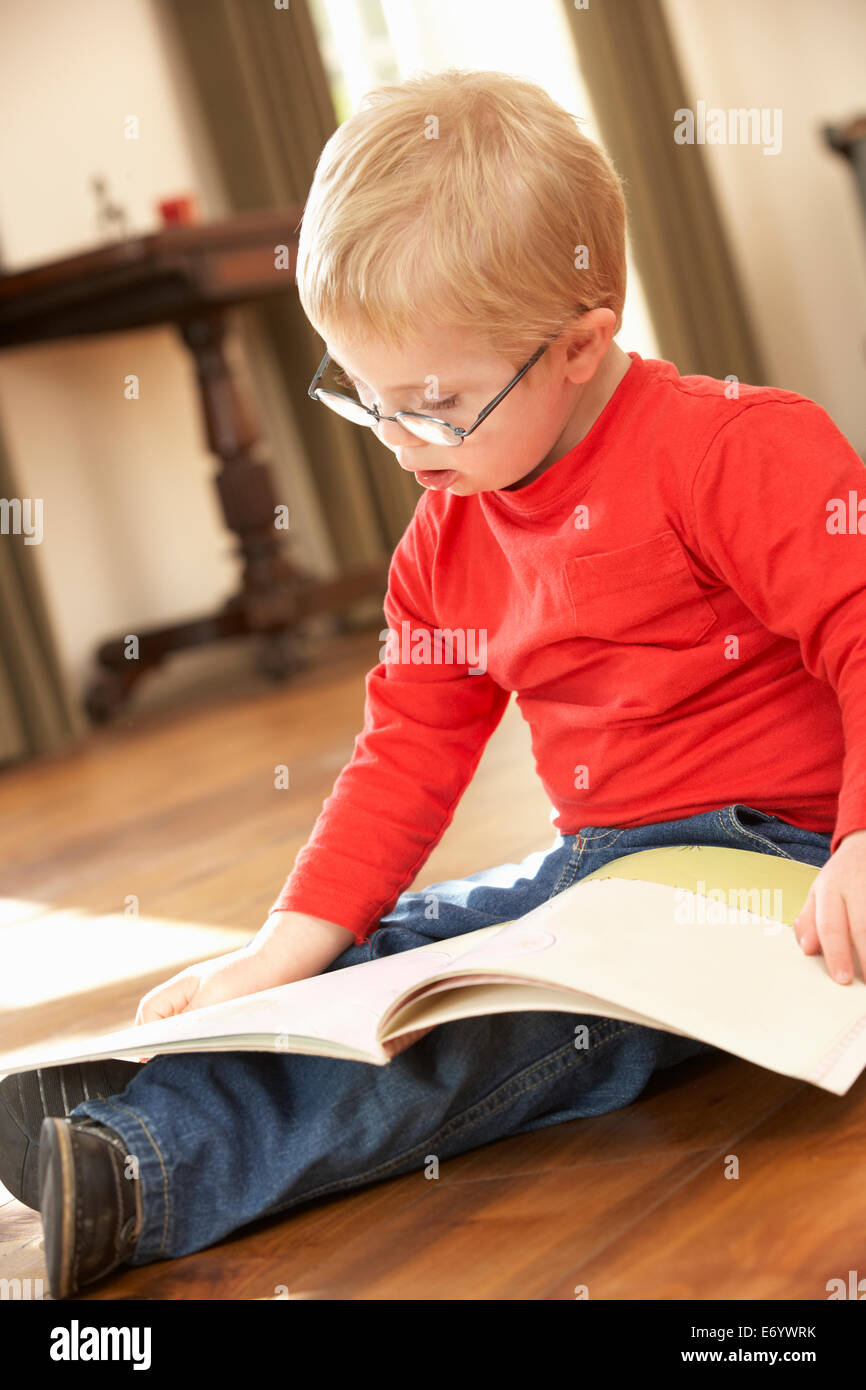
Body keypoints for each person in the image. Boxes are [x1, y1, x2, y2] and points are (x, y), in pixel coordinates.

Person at [2, 68, 864, 1301]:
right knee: (391, 961)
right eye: (363, 400)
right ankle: (163, 1078)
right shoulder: (443, 537)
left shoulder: (733, 449)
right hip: (606, 865)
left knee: (481, 1031)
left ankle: (151, 1159)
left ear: (578, 344)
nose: (400, 442)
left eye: (435, 406)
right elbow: (404, 750)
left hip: (779, 869)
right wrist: (282, 951)